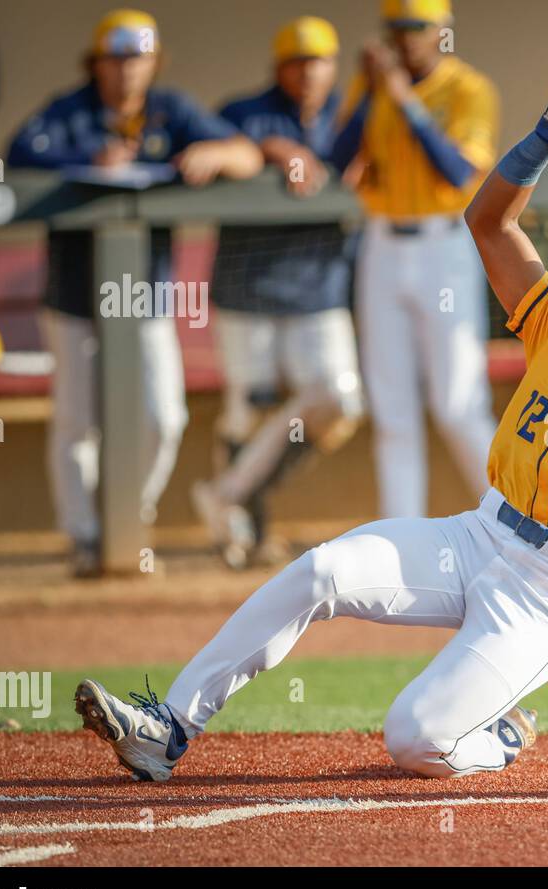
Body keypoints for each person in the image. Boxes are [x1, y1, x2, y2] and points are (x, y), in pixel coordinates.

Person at [72, 42, 548, 783]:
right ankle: (170, 724)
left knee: (414, 739)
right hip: (479, 534)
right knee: (322, 570)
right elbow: (486, 222)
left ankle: (501, 738)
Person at [5, 8, 262, 577]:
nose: (126, 71)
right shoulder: (69, 111)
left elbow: (246, 155)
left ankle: (126, 516)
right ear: (96, 62)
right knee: (77, 422)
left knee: (164, 416)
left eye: (137, 58)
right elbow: (15, 157)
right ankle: (85, 538)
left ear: (153, 62)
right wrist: (82, 164)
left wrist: (215, 155)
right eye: (116, 58)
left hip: (145, 291)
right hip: (74, 293)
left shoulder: (172, 109)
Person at [193, 16, 366, 569]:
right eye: (297, 62)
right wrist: (276, 146)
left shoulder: (349, 115)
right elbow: (224, 147)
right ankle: (243, 532)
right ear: (280, 67)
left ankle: (227, 494)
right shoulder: (246, 110)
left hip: (319, 285)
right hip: (250, 288)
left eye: (318, 61)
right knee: (249, 410)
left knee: (339, 400)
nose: (308, 72)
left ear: (332, 66)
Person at [343, 0, 500, 519]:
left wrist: (399, 96)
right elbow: (335, 155)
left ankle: (519, 521)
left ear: (442, 31)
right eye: (397, 29)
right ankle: (399, 539)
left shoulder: (470, 89)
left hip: (444, 245)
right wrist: (370, 91)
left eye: (417, 27)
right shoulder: (373, 88)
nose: (406, 38)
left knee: (457, 407)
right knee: (392, 412)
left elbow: (456, 170)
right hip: (382, 243)